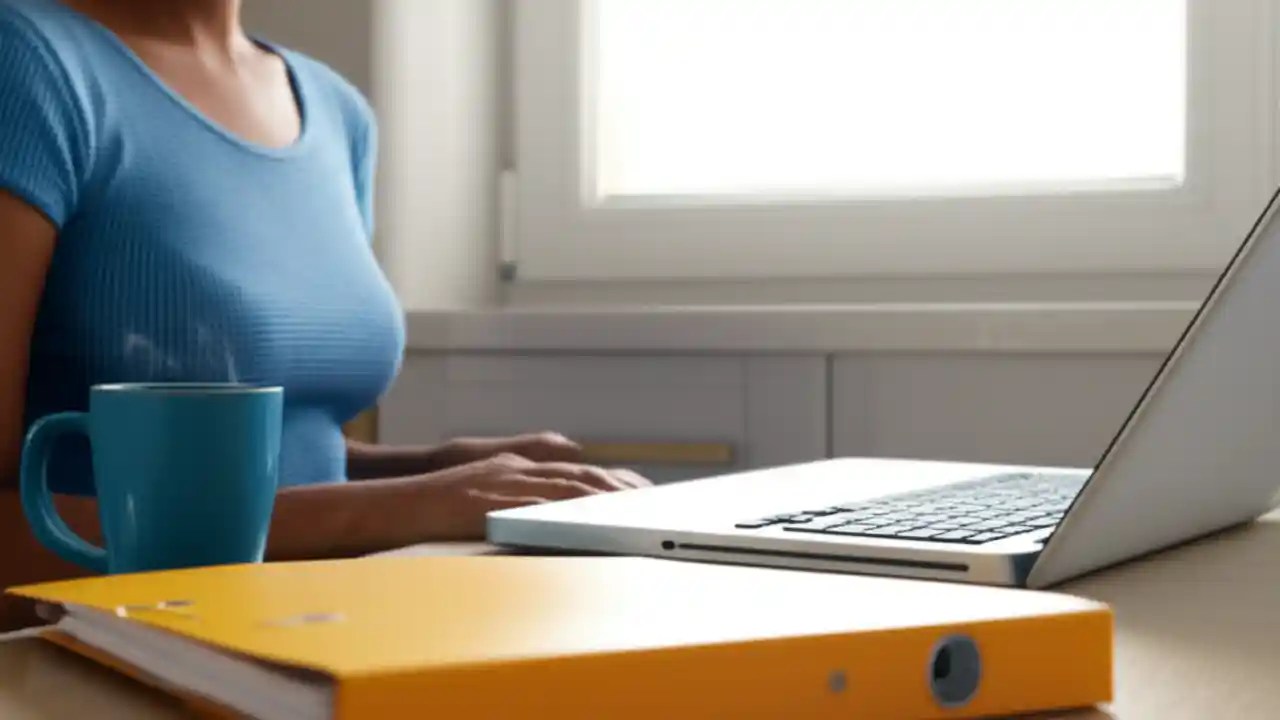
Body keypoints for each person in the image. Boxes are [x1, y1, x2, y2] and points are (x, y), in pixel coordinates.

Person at [0, 0, 649, 629]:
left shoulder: (337, 110)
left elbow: (271, 451)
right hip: (121, 650)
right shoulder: (25, 62)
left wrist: (434, 468)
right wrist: (398, 506)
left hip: (322, 622)